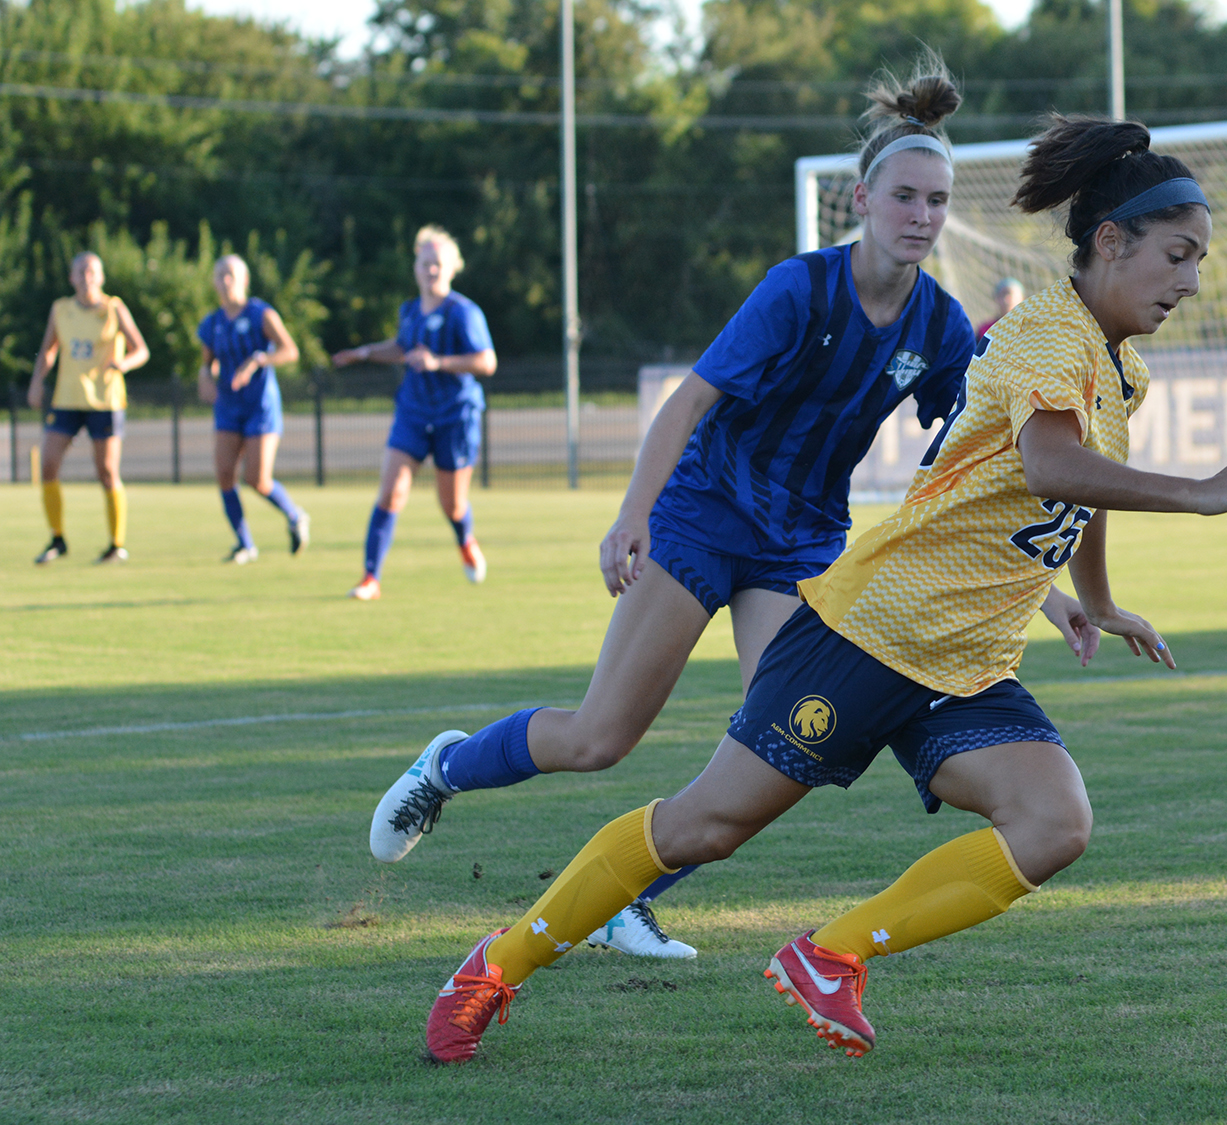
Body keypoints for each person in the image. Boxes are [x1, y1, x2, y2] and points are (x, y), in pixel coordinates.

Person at [416, 113, 1227, 1063]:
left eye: (1198, 261)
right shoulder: (1049, 331)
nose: (1191, 282)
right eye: (1179, 256)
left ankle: (831, 953)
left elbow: (1081, 482)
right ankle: (491, 968)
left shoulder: (1120, 368)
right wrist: (1204, 494)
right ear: (1111, 241)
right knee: (702, 827)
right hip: (870, 638)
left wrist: (1099, 594)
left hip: (966, 662)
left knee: (1054, 821)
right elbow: (1050, 463)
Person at [367, 62, 1101, 964]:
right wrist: (632, 516)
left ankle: (625, 900)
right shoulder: (798, 290)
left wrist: (1053, 591)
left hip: (801, 546)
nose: (922, 215)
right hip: (705, 515)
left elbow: (979, 476)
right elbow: (688, 403)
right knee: (602, 736)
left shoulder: (942, 327)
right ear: (862, 200)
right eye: (905, 196)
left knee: (774, 755)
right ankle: (447, 764)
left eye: (938, 201)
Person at [331, 226, 496, 600]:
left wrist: (439, 362)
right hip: (413, 412)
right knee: (390, 493)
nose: (431, 270)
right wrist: (366, 353)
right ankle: (370, 578)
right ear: (416, 267)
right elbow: (402, 348)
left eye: (438, 264)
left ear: (452, 268)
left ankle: (465, 539)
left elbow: (487, 361)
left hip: (455, 416)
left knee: (451, 503)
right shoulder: (409, 311)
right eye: (425, 263)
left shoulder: (463, 312)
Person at [27, 251, 150, 566]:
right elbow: (48, 351)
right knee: (48, 465)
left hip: (104, 400)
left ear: (102, 277)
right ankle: (57, 538)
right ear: (71, 277)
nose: (86, 277)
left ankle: (115, 544)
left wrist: (123, 363)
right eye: (80, 271)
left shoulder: (113, 308)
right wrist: (37, 381)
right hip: (68, 398)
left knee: (106, 471)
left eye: (92, 271)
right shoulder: (61, 309)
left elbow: (141, 351)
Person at [196, 255, 310, 564]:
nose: (225, 280)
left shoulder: (261, 314)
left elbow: (290, 351)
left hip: (260, 406)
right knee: (223, 474)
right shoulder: (213, 323)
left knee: (257, 479)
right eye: (220, 275)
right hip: (228, 406)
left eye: (231, 275)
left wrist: (260, 359)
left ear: (244, 281)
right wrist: (205, 377)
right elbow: (207, 364)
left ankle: (294, 515)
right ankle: (245, 544)